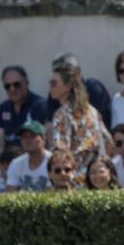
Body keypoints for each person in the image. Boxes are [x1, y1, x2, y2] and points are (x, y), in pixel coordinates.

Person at [46, 57, 108, 186]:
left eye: (54, 83)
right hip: (96, 180)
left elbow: (61, 155)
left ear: (68, 86)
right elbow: (109, 142)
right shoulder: (92, 111)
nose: (50, 86)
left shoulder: (61, 115)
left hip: (75, 182)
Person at [5, 120, 52, 190]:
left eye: (33, 136)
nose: (28, 140)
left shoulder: (53, 161)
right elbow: (10, 193)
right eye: (24, 137)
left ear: (44, 139)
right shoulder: (16, 163)